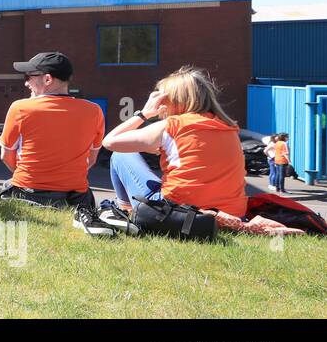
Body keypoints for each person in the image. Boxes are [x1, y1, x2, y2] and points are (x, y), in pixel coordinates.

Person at [101, 66, 248, 227]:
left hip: (178, 213)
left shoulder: (172, 126)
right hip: (233, 213)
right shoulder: (229, 128)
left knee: (121, 156)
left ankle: (128, 212)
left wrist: (144, 114)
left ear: (176, 100)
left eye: (163, 100)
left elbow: (109, 141)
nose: (161, 106)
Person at [0, 51, 110, 234]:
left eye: (29, 77)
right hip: (76, 198)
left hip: (26, 193)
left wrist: (35, 177)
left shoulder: (21, 108)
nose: (26, 83)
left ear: (47, 79)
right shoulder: (94, 111)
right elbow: (92, 159)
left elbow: (6, 156)